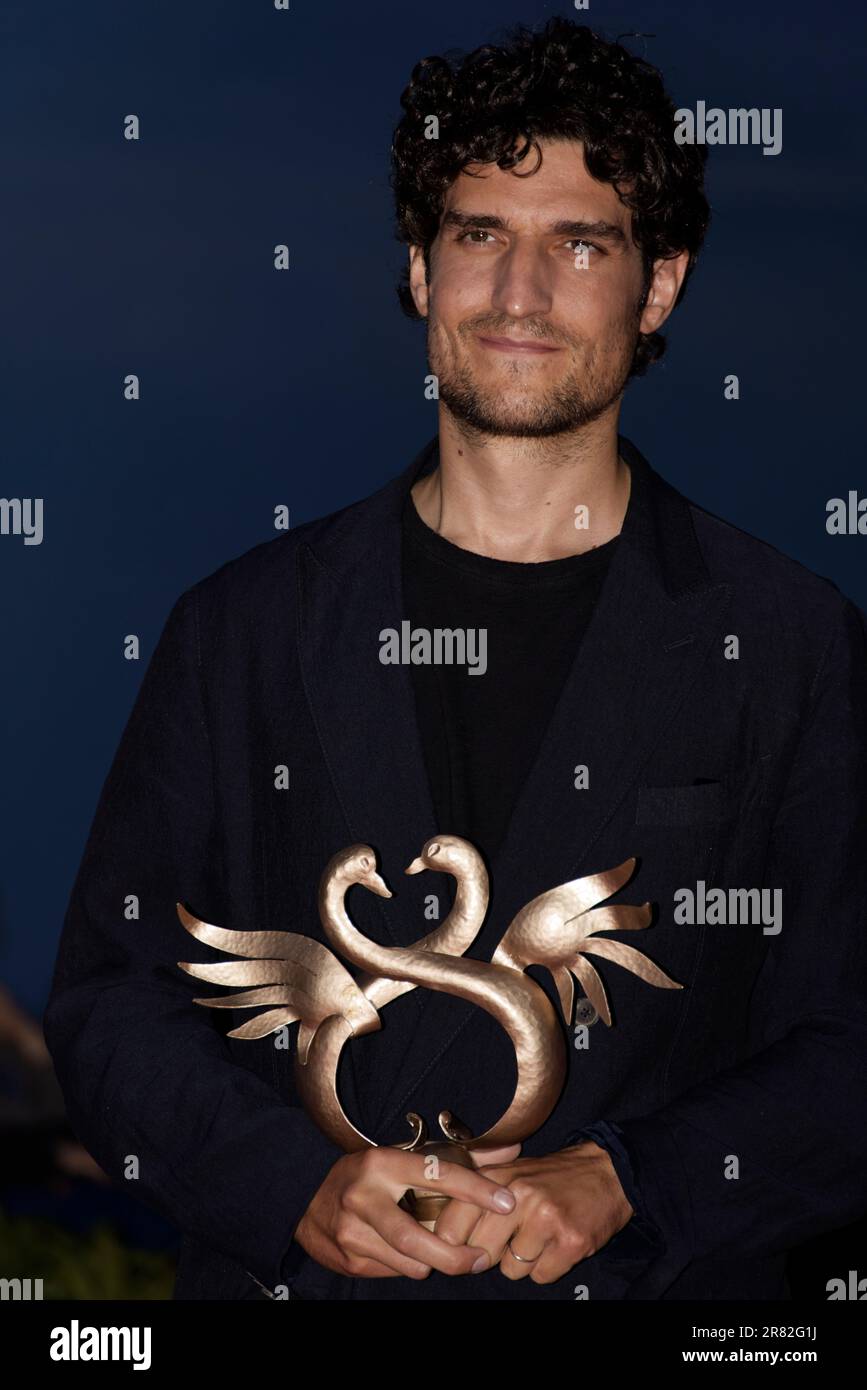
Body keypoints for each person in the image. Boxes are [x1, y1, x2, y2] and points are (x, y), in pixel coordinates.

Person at [44, 18, 867, 1301]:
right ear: (421, 270)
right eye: (480, 233)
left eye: (579, 243)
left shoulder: (793, 640)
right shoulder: (240, 630)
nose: (520, 294)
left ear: (657, 285)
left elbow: (855, 1039)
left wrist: (634, 1176)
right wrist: (292, 1185)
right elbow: (108, 1003)